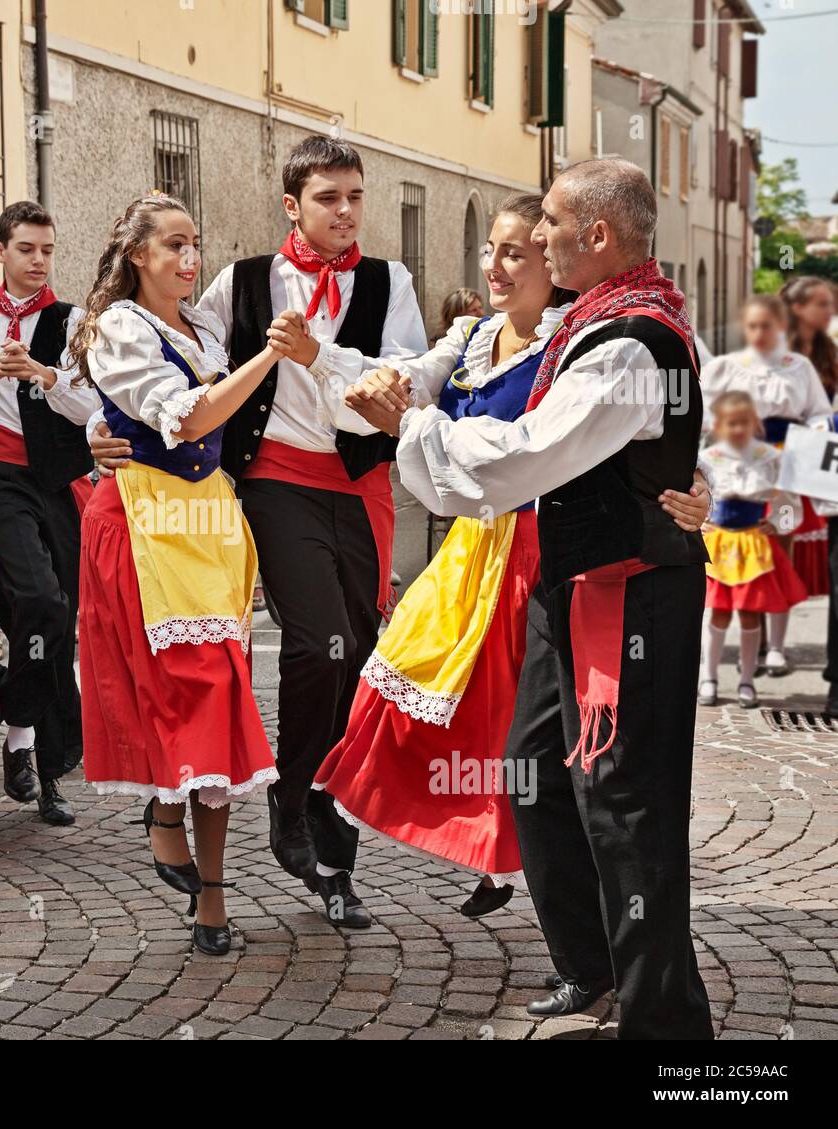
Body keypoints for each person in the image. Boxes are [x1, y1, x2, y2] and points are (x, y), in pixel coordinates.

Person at [348, 159, 714, 1039]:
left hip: (631, 597)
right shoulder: (587, 323)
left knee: (627, 804)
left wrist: (416, 429)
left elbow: (523, 456)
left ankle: (667, 1027)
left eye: (548, 222)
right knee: (537, 772)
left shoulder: (629, 340)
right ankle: (588, 964)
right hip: (573, 585)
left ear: (596, 235)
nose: (536, 239)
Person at [314, 194, 574, 917]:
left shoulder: (569, 343)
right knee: (396, 680)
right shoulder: (468, 336)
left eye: (514, 251)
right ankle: (345, 812)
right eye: (490, 248)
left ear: (553, 261)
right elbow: (406, 382)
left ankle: (514, 858)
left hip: (534, 548)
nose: (494, 264)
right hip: (470, 546)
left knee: (508, 715)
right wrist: (370, 383)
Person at [195, 136, 429, 929]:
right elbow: (192, 363)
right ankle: (291, 807)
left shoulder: (390, 282)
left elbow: (395, 381)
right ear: (292, 204)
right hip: (276, 482)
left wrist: (320, 353)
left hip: (361, 487)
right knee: (317, 640)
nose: (345, 211)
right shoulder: (243, 280)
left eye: (355, 196)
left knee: (357, 662)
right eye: (328, 197)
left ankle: (331, 856)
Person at [73, 193, 286, 956]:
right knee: (180, 690)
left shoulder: (198, 325)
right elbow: (188, 418)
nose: (190, 259)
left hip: (205, 521)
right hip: (142, 521)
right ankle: (170, 820)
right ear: (137, 254)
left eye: (195, 243)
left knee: (221, 692)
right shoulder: (118, 326)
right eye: (173, 245)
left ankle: (214, 893)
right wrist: (98, 432)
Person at [0, 201, 99, 826]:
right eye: (27, 249)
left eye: (48, 250)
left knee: (58, 618)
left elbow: (93, 407)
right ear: (0, 252)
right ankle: (29, 738)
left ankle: (29, 745)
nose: (38, 261)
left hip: (56, 482)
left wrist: (42, 373)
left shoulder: (74, 320)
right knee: (38, 601)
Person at [701, 293, 832, 675]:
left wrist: (814, 457)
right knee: (738, 543)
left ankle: (774, 646)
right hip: (739, 457)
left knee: (778, 548)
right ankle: (739, 633)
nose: (760, 333)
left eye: (768, 326)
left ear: (782, 328)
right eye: (753, 326)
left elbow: (820, 414)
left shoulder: (798, 366)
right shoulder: (728, 367)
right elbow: (705, 414)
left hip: (785, 459)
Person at [698, 390, 808, 709]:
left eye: (744, 423)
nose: (738, 430)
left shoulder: (767, 457)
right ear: (719, 425)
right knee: (717, 611)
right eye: (731, 423)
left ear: (754, 423)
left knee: (749, 613)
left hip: (751, 543)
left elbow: (788, 498)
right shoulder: (711, 457)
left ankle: (747, 679)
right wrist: (701, 521)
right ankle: (710, 677)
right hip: (718, 543)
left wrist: (777, 522)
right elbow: (696, 490)